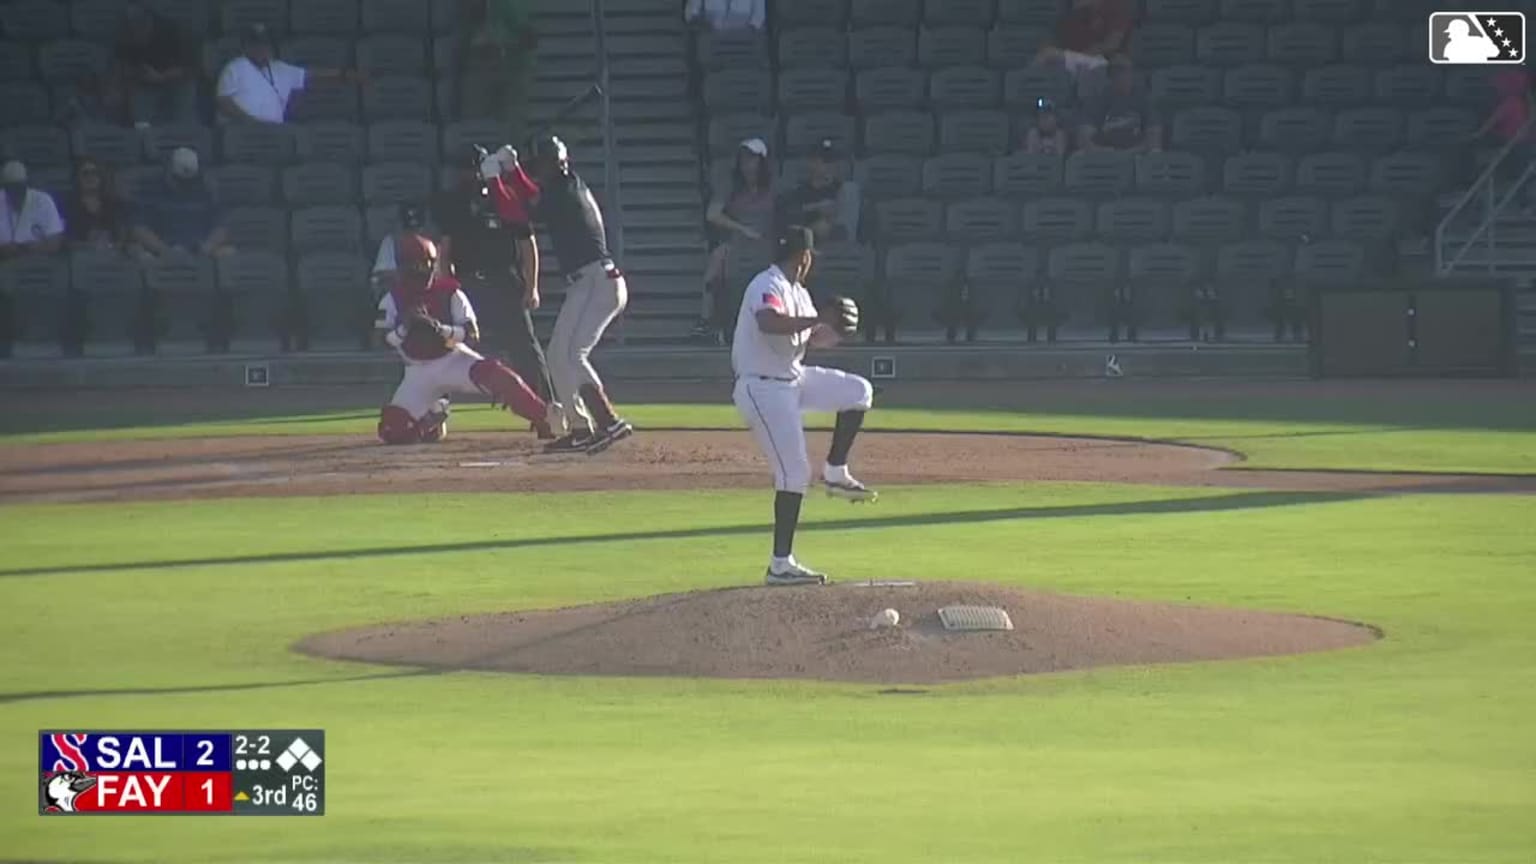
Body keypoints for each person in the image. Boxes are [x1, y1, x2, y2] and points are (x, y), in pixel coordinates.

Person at [732, 225, 876, 586]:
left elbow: (815, 338)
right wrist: (819, 319)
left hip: (792, 379)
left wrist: (838, 330)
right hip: (762, 388)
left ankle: (836, 472)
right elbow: (768, 323)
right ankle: (781, 565)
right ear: (804, 257)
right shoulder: (767, 285)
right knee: (793, 474)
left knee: (859, 391)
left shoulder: (800, 293)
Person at [375, 231, 554, 445]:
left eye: (427, 265)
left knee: (501, 377)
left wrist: (439, 329)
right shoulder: (392, 299)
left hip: (454, 359)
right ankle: (432, 416)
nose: (424, 272)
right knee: (393, 431)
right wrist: (405, 328)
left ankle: (545, 418)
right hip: (418, 371)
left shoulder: (450, 292)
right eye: (417, 266)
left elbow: (471, 335)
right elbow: (380, 340)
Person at [525, 134, 634, 455]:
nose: (539, 172)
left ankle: (609, 421)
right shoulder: (566, 185)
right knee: (558, 355)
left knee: (573, 355)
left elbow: (528, 210)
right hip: (590, 281)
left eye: (542, 166)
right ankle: (580, 426)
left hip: (597, 280)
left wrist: (507, 176)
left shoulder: (564, 191)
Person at [432, 143, 554, 428]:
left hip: (504, 281)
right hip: (468, 284)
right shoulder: (451, 202)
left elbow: (527, 243)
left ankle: (547, 411)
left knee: (525, 348)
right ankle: (435, 412)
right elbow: (445, 249)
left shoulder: (504, 196)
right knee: (445, 347)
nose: (465, 175)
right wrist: (445, 288)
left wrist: (531, 286)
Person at [695, 137, 775, 343]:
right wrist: (743, 229)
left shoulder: (774, 189)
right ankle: (709, 324)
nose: (747, 165)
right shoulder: (731, 187)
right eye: (744, 160)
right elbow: (712, 214)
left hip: (767, 245)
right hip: (738, 245)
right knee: (719, 259)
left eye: (752, 160)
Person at [216, 23, 361, 124]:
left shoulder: (280, 69)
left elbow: (311, 75)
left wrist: (343, 74)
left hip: (274, 133)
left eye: (264, 44)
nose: (261, 48)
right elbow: (223, 102)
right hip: (242, 130)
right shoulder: (235, 67)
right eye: (255, 44)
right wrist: (249, 122)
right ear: (246, 46)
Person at [456, 0, 536, 141]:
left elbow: (529, 38)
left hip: (512, 70)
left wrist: (502, 47)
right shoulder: (462, 11)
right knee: (475, 123)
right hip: (478, 70)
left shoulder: (511, 5)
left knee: (511, 126)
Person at [132, 147, 232, 258]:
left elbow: (221, 227)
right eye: (181, 180)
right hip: (162, 250)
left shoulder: (207, 192)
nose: (186, 184)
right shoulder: (152, 192)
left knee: (228, 253)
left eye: (190, 180)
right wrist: (163, 250)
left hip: (201, 249)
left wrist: (208, 246)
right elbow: (139, 228)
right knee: (139, 253)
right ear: (170, 172)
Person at [114, 0, 197, 126]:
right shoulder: (125, 34)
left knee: (187, 89)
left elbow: (188, 69)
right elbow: (122, 66)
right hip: (142, 83)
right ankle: (143, 134)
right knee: (135, 96)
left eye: (139, 22)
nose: (135, 26)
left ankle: (180, 132)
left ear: (149, 18)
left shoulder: (172, 30)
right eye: (132, 22)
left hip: (174, 81)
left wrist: (161, 77)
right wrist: (136, 74)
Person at [776, 139, 860, 245]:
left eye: (834, 161)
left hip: (835, 250)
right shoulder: (798, 192)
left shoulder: (844, 191)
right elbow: (788, 218)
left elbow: (844, 230)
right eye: (826, 161)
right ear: (812, 163)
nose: (831, 166)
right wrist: (816, 208)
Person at [1076, 55, 1161, 152]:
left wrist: (1131, 152)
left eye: (1128, 73)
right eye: (1119, 73)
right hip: (1106, 156)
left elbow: (1154, 137)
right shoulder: (1098, 100)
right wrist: (1107, 152)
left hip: (1137, 155)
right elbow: (1084, 138)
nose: (1126, 77)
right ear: (1111, 77)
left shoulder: (1144, 99)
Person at [62, 158, 134, 252]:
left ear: (101, 177)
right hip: (82, 255)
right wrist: (91, 246)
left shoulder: (115, 203)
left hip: (115, 253)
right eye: (85, 173)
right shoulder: (68, 206)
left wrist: (113, 246)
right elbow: (66, 240)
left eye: (95, 173)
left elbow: (122, 234)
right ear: (77, 178)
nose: (90, 177)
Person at [0, 161, 66, 259]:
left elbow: (55, 242)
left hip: (39, 262)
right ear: (5, 187)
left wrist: (28, 248)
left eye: (19, 187)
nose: (16, 192)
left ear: (26, 184)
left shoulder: (43, 201)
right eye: (12, 188)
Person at [1058, 0, 1136, 58]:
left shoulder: (1119, 5)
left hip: (1107, 64)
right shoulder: (1074, 11)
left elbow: (1113, 44)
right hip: (1073, 62)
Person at [684, 0, 765, 31]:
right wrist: (708, 25)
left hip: (742, 43)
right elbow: (691, 16)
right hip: (711, 40)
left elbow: (758, 20)